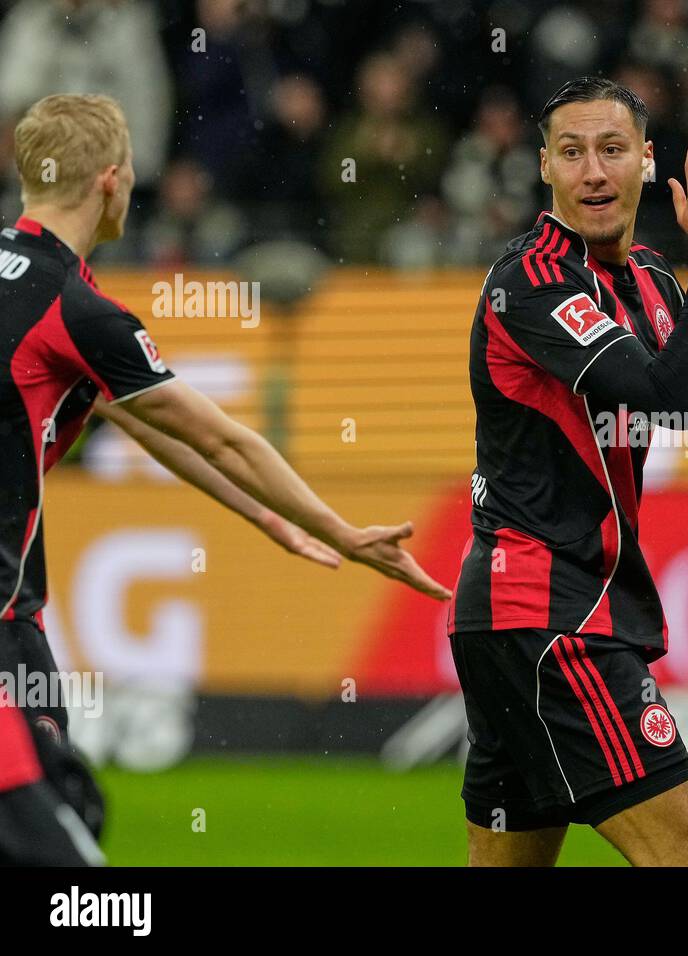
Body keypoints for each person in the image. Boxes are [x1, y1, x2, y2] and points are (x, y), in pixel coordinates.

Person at [0, 93, 449, 864]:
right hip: (5, 615)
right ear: (111, 181)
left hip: (19, 617)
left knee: (68, 800)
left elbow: (136, 421)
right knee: (62, 853)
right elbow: (221, 437)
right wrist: (336, 528)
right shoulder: (78, 311)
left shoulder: (35, 295)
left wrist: (263, 518)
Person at [448, 76, 688, 866]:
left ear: (646, 162)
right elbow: (662, 392)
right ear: (543, 165)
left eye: (613, 150)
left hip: (525, 619)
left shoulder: (649, 280)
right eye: (572, 153)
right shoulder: (532, 281)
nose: (593, 173)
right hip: (553, 618)